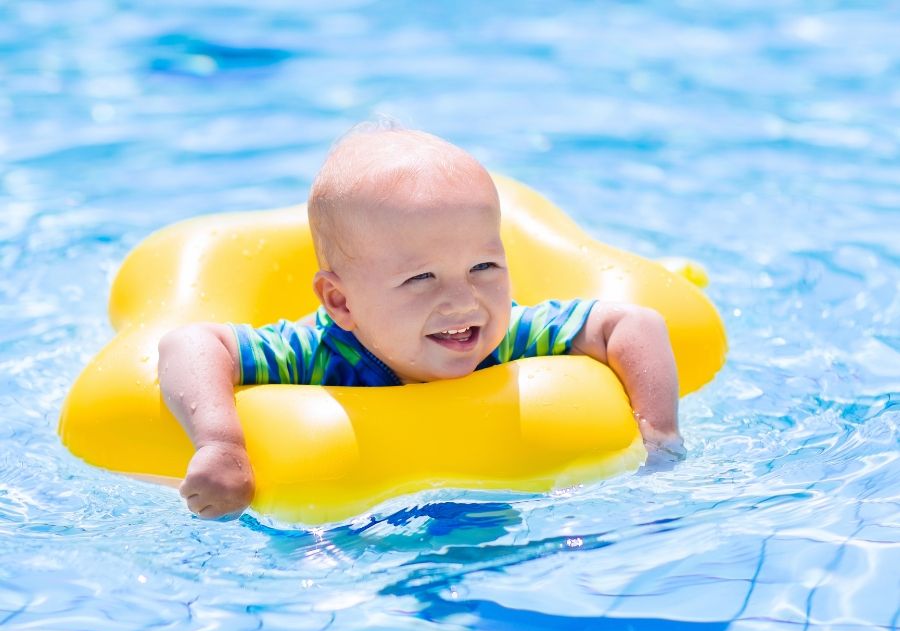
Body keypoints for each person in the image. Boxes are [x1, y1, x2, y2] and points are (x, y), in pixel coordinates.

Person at [158, 123, 683, 521]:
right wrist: (221, 445)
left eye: (484, 267)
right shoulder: (314, 351)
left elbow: (633, 324)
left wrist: (658, 437)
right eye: (421, 279)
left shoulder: (514, 336)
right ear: (341, 302)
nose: (463, 301)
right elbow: (190, 344)